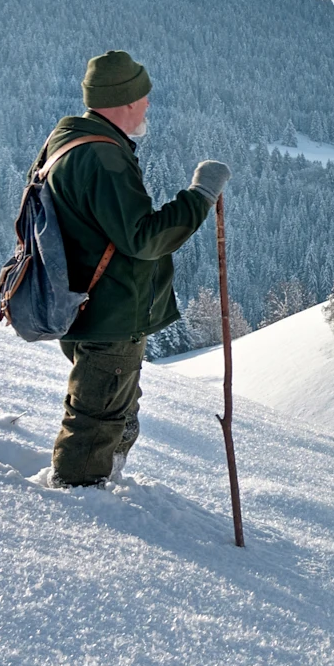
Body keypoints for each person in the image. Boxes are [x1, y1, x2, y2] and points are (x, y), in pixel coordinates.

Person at [38, 50, 230, 487]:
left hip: (81, 304)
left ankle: (105, 478)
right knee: (97, 417)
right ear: (124, 101)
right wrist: (199, 195)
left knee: (112, 407)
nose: (147, 105)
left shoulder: (68, 140)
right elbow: (143, 238)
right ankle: (79, 500)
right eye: (143, 97)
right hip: (110, 311)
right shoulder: (104, 159)